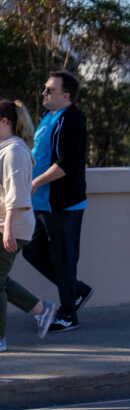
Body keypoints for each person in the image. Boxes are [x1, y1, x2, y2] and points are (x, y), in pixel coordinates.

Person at [22, 71, 92, 333]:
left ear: (66, 95)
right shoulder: (48, 116)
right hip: (41, 203)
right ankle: (77, 290)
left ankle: (68, 314)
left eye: (49, 90)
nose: (44, 93)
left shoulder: (72, 119)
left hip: (63, 204)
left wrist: (36, 182)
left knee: (64, 259)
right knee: (32, 250)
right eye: (45, 88)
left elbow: (67, 163)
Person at [0, 100, 57, 352]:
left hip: (9, 226)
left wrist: (8, 229)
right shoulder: (6, 149)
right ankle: (41, 309)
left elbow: (17, 194)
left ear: (5, 121)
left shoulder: (14, 151)